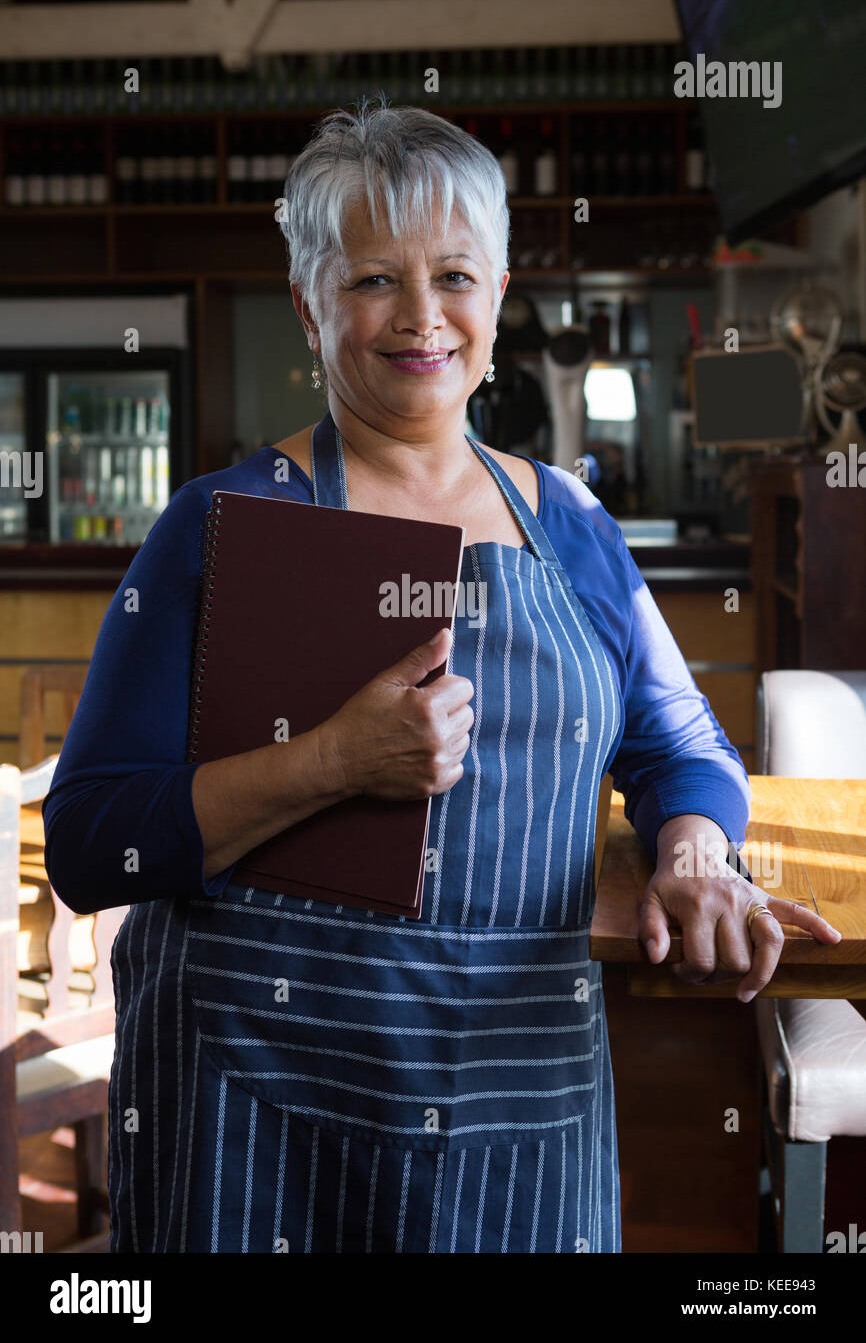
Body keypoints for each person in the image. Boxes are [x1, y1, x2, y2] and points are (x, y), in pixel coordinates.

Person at [43, 99, 840, 1254]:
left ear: (499, 291)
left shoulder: (566, 521)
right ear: (308, 302)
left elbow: (680, 746)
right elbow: (91, 842)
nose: (420, 317)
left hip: (515, 1091)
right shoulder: (219, 524)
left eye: (453, 274)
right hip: (250, 1113)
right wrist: (329, 763)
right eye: (371, 278)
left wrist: (694, 854)